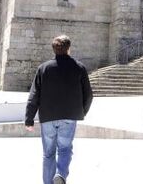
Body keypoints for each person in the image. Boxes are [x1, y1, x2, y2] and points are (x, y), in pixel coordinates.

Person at [25, 35, 93, 184]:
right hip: (69, 116)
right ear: (69, 49)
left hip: (48, 117)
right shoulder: (79, 67)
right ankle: (60, 173)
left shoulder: (43, 68)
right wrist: (82, 112)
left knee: (48, 154)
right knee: (65, 149)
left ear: (54, 49)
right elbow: (88, 95)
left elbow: (34, 95)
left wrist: (29, 119)